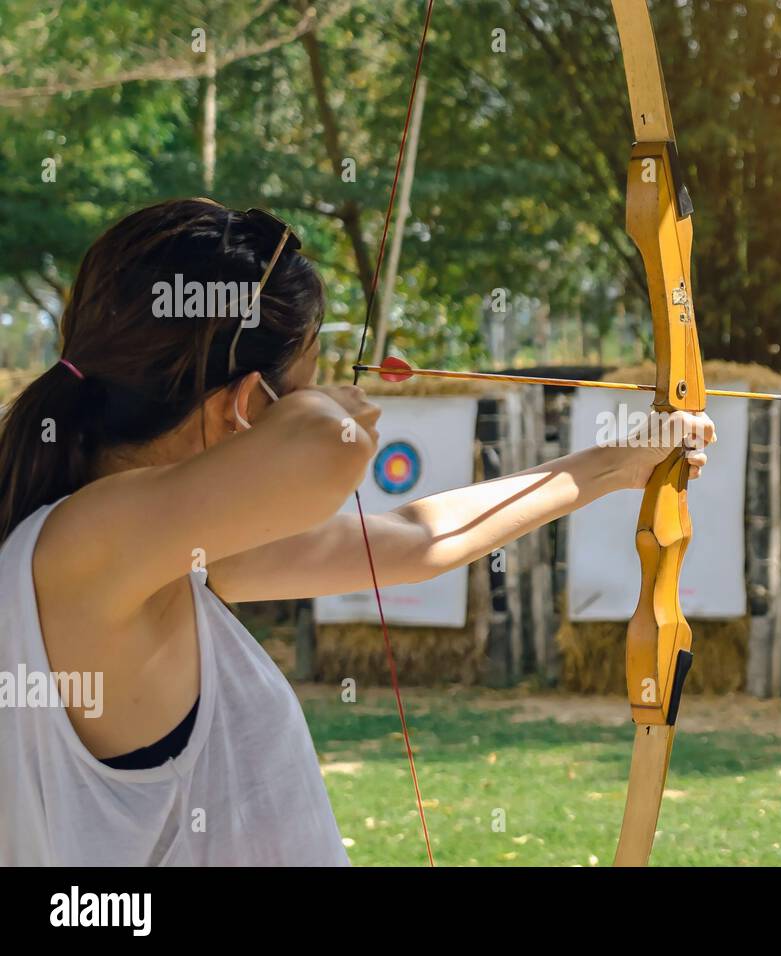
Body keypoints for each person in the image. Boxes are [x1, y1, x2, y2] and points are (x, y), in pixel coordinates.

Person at [0, 198, 713, 865]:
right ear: (247, 404)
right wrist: (321, 413)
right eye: (307, 378)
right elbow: (324, 448)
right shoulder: (87, 547)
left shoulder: (169, 556)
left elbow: (417, 540)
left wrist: (618, 463)